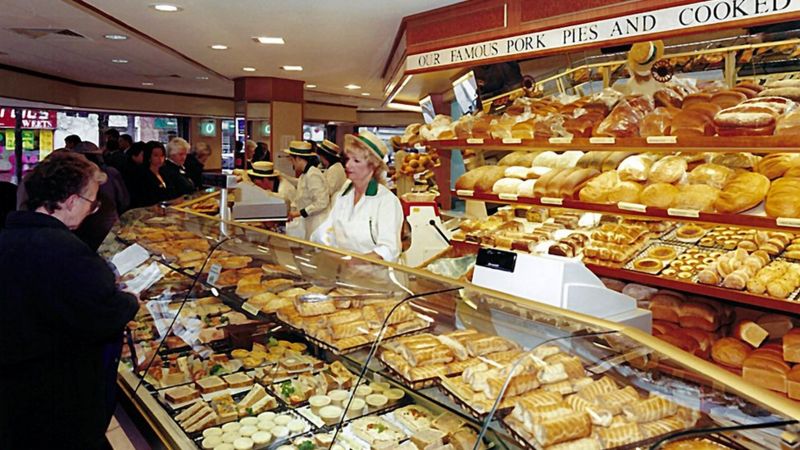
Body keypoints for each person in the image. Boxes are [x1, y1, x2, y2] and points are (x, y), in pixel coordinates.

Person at [0, 151, 139, 449]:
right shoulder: (67, 250)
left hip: (13, 396)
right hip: (55, 400)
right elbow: (103, 314)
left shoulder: (8, 238)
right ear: (72, 201)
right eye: (92, 202)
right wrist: (130, 300)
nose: (92, 211)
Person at [311, 131, 403, 262]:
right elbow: (326, 231)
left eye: (356, 161)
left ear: (373, 166)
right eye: (348, 159)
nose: (348, 165)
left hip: (375, 272)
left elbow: (389, 248)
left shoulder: (386, 201)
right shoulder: (343, 197)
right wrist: (322, 247)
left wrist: (358, 262)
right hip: (343, 270)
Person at [71, 141, 130, 251]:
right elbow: (123, 200)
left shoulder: (74, 177)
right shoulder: (111, 173)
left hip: (83, 232)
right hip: (109, 228)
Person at [284, 140, 330, 239]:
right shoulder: (306, 174)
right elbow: (301, 186)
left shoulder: (313, 174)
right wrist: (282, 176)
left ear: (298, 159)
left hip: (318, 224)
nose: (292, 163)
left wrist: (299, 213)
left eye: (292, 160)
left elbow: (322, 202)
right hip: (310, 222)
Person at [131, 141, 173, 207]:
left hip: (168, 208)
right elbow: (146, 200)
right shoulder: (142, 174)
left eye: (162, 155)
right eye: (156, 155)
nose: (160, 159)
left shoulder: (165, 172)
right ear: (148, 156)